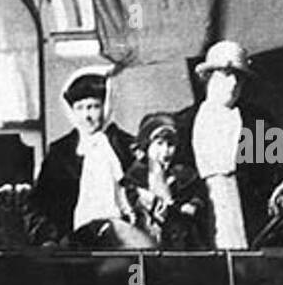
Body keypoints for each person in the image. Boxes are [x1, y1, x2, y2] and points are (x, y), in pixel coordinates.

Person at [175, 41, 283, 249]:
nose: (234, 83)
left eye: (240, 77)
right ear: (208, 77)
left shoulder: (260, 123)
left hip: (247, 213)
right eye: (227, 74)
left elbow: (276, 173)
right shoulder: (183, 123)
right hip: (202, 211)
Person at [29, 67, 140, 245]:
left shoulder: (127, 146)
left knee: (132, 271)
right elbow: (38, 203)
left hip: (125, 241)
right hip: (73, 244)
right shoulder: (60, 151)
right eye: (79, 108)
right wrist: (51, 238)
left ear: (106, 106)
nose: (86, 116)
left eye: (93, 107)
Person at [122, 112, 208, 249]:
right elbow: (131, 200)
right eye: (159, 144)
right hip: (146, 236)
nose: (165, 150)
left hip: (179, 237)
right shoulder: (136, 176)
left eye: (170, 145)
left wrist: (193, 205)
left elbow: (197, 195)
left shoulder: (183, 174)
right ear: (146, 145)